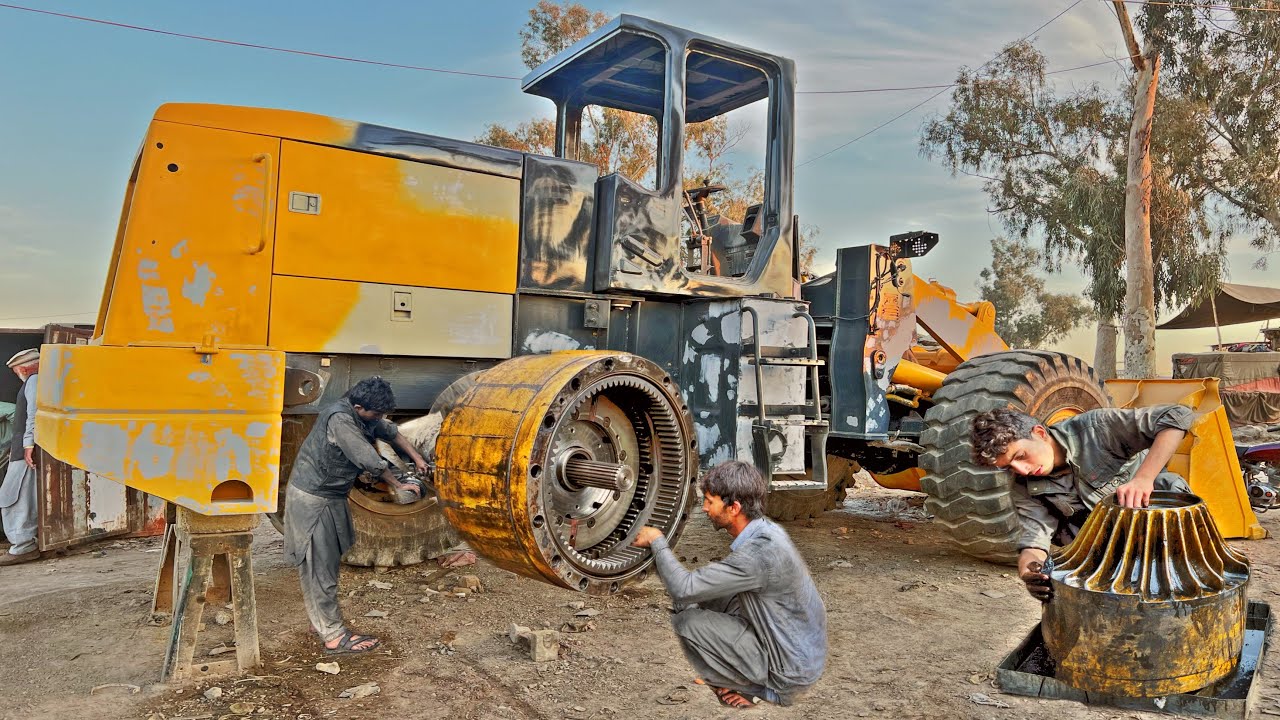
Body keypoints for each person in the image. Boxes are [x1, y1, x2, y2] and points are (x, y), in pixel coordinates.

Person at [632, 461, 827, 709]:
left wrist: (657, 541)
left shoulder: (757, 556)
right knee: (697, 600)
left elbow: (683, 587)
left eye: (710, 501)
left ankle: (758, 688)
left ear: (734, 508)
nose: (704, 508)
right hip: (801, 649)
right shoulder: (766, 531)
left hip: (790, 670)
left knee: (688, 621)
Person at [969, 404, 1193, 602]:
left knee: (1172, 487)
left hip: (1157, 526)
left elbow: (1177, 416)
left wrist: (1144, 479)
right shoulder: (1024, 485)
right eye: (1009, 467)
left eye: (1020, 456)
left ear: (1039, 433)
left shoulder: (1097, 428)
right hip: (1108, 543)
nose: (1021, 470)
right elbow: (1034, 541)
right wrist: (1029, 572)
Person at [282, 376, 429, 654]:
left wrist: (418, 458)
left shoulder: (362, 413)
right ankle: (334, 637)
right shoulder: (340, 420)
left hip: (330, 496)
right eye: (375, 413)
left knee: (326, 563)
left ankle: (322, 621)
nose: (380, 418)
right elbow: (369, 460)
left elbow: (390, 431)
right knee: (319, 566)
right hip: (315, 500)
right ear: (359, 406)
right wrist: (400, 484)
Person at [1, 348, 40, 566]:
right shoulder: (36, 381)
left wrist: (28, 444)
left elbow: (33, 414)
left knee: (12, 498)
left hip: (24, 452)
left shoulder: (33, 380)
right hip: (22, 450)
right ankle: (26, 543)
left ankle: (22, 546)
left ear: (23, 368)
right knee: (22, 497)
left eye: (16, 371)